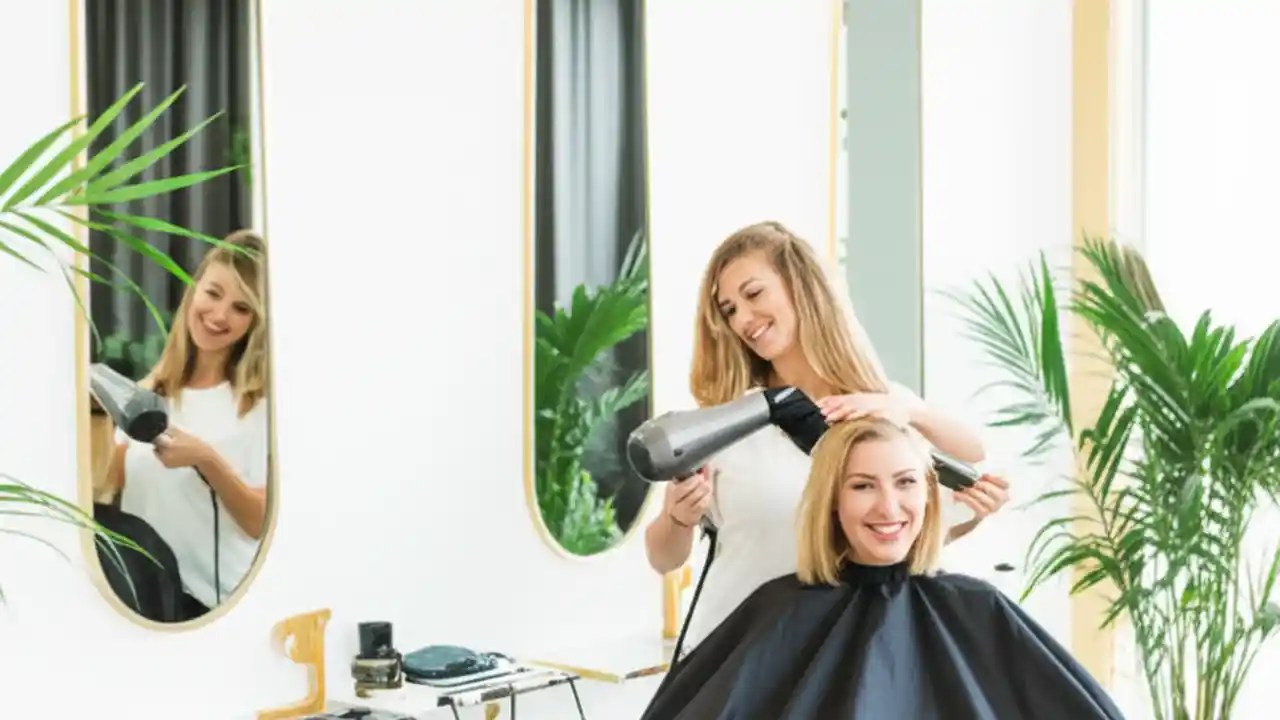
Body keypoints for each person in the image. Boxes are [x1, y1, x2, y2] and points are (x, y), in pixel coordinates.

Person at [643, 221, 1010, 656]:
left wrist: (910, 414)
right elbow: (663, 558)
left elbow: (911, 533)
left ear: (800, 285)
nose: (742, 319)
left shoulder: (885, 405)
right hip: (739, 662)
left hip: (843, 661)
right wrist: (678, 520)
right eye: (729, 310)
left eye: (753, 294)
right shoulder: (727, 425)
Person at [639, 417, 1125, 720]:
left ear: (928, 497)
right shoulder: (777, 610)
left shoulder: (978, 608)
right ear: (832, 503)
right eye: (863, 486)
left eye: (906, 482)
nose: (888, 506)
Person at [102, 229, 270, 621]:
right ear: (195, 291)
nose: (219, 315)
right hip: (146, 601)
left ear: (255, 323)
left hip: (218, 609)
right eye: (213, 293)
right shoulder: (146, 395)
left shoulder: (256, 406)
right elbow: (108, 486)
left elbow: (259, 522)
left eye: (241, 308)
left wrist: (207, 459)